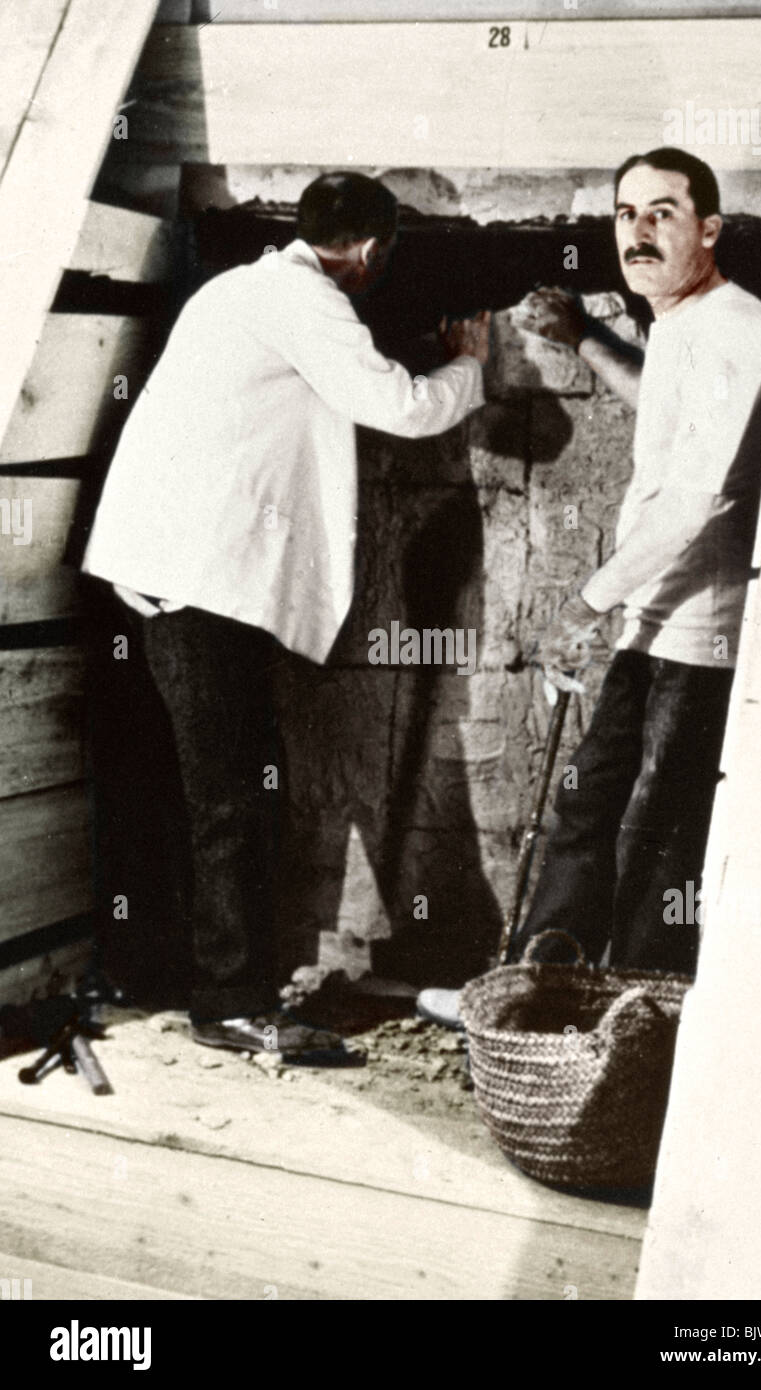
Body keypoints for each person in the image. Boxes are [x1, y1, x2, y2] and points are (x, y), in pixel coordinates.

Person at [82, 172, 490, 1062]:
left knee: (220, 791)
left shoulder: (237, 289)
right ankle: (228, 1003)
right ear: (374, 249)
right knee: (232, 800)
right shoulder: (302, 298)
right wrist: (469, 363)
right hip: (201, 587)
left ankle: (186, 978)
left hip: (181, 578)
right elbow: (398, 406)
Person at [418, 146, 761, 1028]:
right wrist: (582, 335)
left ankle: (632, 1033)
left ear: (709, 229)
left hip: (697, 633)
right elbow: (659, 399)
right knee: (583, 811)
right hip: (647, 625)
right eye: (625, 214)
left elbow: (702, 492)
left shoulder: (737, 325)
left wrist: (589, 602)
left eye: (663, 212)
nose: (639, 231)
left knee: (655, 839)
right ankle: (533, 1002)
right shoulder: (686, 327)